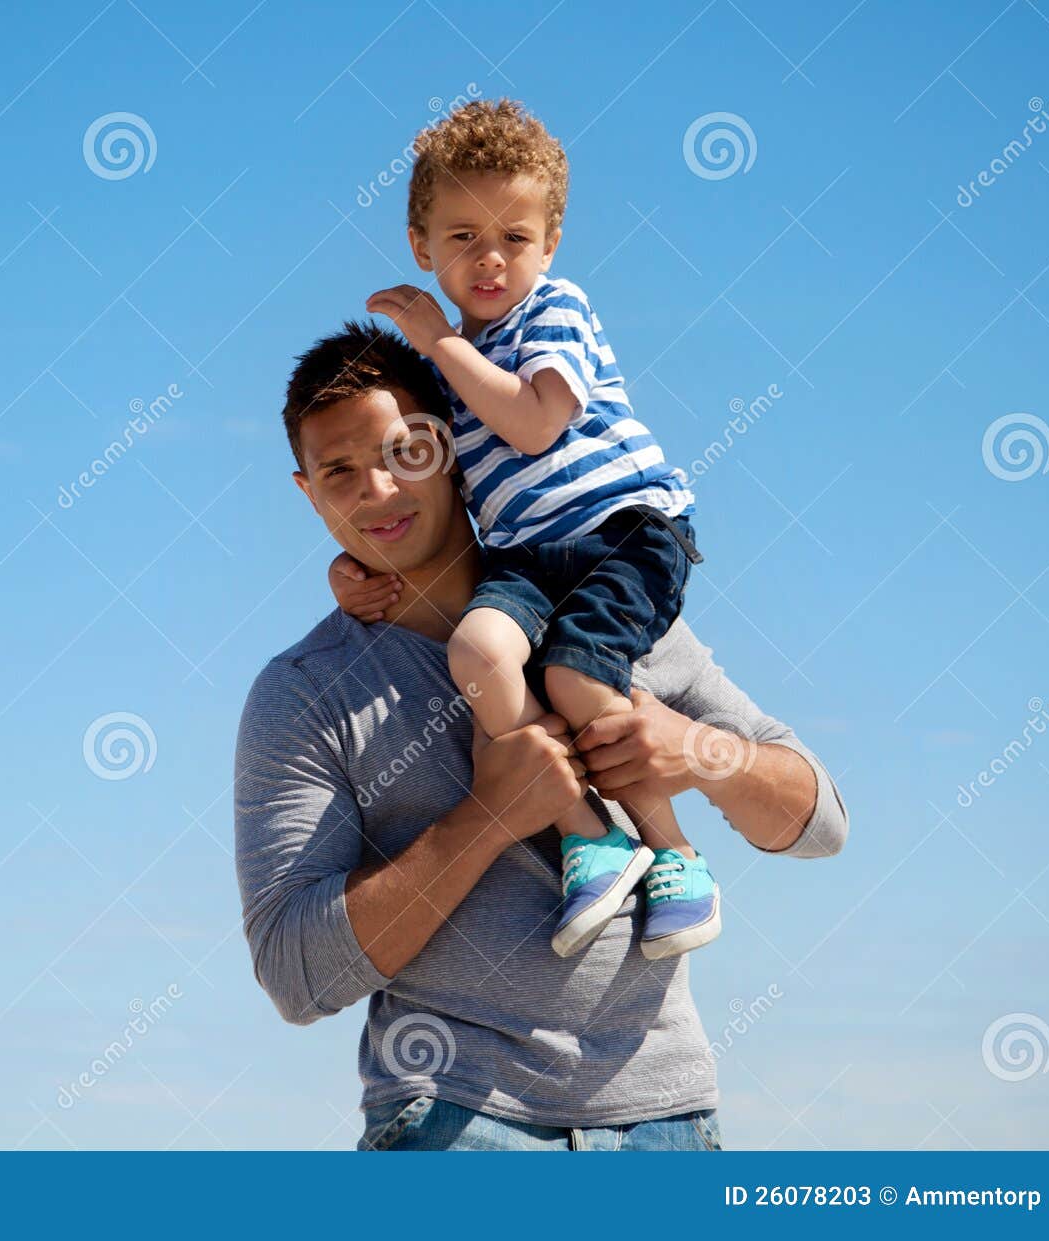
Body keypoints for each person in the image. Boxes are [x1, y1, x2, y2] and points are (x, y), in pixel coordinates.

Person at [233, 324, 847, 1151]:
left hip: (668, 1124)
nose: (378, 489)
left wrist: (696, 750)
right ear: (309, 493)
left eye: (403, 451)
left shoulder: (607, 610)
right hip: (453, 1120)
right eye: (340, 471)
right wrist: (488, 816)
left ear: (452, 444)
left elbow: (820, 824)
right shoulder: (304, 691)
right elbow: (296, 972)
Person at [330, 99, 710, 958]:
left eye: (515, 236)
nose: (491, 257)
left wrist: (439, 340)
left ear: (551, 245)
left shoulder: (555, 310)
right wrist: (348, 567)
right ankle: (591, 835)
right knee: (478, 654)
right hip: (527, 558)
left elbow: (536, 424)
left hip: (622, 531)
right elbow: (426, 496)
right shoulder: (446, 375)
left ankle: (676, 854)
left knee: (574, 675)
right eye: (463, 236)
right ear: (422, 247)